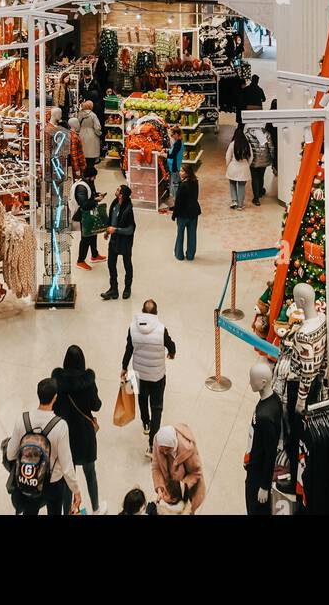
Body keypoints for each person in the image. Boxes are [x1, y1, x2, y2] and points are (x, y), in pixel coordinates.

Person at [5, 377, 81, 516]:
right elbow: (67, 465)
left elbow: (10, 454)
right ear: (55, 398)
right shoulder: (60, 426)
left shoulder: (22, 420)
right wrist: (76, 491)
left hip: (29, 478)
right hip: (53, 484)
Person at [51, 345, 105, 515]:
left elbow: (54, 407)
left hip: (65, 434)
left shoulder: (57, 382)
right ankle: (96, 508)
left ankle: (67, 511)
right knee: (90, 473)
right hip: (85, 435)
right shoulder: (88, 382)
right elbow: (96, 406)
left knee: (68, 477)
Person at [122, 299, 176, 455]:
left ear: (143, 311)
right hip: (157, 374)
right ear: (156, 313)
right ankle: (152, 445)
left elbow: (128, 349)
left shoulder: (132, 328)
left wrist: (124, 367)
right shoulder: (161, 329)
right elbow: (171, 345)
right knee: (157, 407)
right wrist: (171, 353)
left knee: (141, 398)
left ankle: (145, 422)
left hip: (137, 372)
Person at [151, 424, 206, 514]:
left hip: (188, 490)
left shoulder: (187, 448)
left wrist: (180, 488)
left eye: (167, 450)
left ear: (174, 445)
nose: (164, 452)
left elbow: (196, 473)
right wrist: (160, 487)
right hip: (170, 491)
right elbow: (155, 466)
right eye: (162, 450)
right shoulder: (158, 442)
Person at [101, 184, 136, 300]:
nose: (115, 191)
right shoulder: (114, 204)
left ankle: (127, 288)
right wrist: (107, 231)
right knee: (111, 264)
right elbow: (111, 220)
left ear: (121, 195)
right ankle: (113, 289)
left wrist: (116, 230)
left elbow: (130, 229)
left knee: (127, 264)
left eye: (118, 190)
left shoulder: (128, 210)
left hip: (125, 242)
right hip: (114, 240)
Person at [73, 163, 105, 269]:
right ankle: (80, 261)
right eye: (94, 176)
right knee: (86, 237)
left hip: (89, 213)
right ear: (90, 176)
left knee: (93, 233)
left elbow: (90, 194)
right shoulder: (81, 187)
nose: (95, 178)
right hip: (83, 214)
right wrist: (95, 200)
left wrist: (97, 195)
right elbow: (84, 204)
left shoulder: (89, 183)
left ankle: (94, 255)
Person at [171, 163, 200, 261]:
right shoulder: (195, 182)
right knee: (192, 235)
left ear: (187, 173)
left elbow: (178, 202)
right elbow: (196, 197)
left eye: (182, 171)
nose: (180, 172)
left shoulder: (182, 185)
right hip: (194, 212)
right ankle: (191, 255)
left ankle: (179, 255)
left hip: (183, 214)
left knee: (180, 234)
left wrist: (174, 215)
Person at [226, 125, 252, 209]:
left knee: (232, 184)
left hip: (233, 167)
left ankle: (234, 201)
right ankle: (240, 205)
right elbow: (251, 156)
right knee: (241, 186)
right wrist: (248, 164)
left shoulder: (232, 144)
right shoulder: (247, 144)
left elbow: (228, 156)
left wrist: (228, 165)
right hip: (244, 168)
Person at [247, 124, 272, 206]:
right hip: (264, 160)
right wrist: (272, 158)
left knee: (254, 178)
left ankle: (256, 198)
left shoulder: (248, 134)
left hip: (253, 161)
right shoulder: (267, 134)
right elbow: (271, 147)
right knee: (261, 176)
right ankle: (260, 191)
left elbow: (247, 148)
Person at [78, 99, 102, 166]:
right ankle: (90, 170)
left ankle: (84, 172)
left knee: (83, 154)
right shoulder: (93, 115)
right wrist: (99, 134)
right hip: (92, 135)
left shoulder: (80, 114)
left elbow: (77, 125)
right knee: (91, 155)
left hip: (81, 134)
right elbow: (97, 127)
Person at [165, 127, 183, 202]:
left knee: (174, 186)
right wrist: (167, 150)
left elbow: (172, 155)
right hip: (175, 166)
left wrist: (162, 154)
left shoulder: (178, 143)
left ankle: (176, 205)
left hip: (174, 167)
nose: (171, 137)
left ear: (176, 134)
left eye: (172, 135)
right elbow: (173, 151)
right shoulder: (178, 142)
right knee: (177, 184)